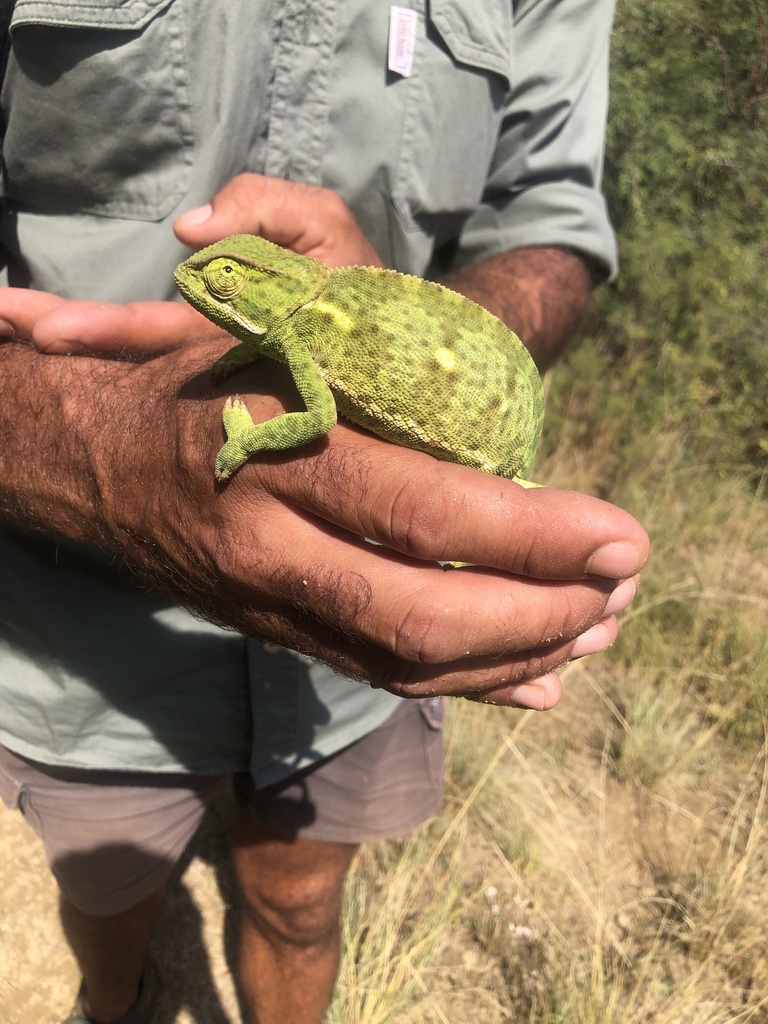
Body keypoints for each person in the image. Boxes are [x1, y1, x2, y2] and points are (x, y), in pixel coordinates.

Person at [0, 2, 648, 1022]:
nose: (201, 290)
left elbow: (549, 221)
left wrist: (295, 409)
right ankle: (107, 1000)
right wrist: (80, 437)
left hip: (362, 627)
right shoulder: (284, 319)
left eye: (221, 289)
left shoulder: (295, 328)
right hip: (76, 619)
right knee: (105, 883)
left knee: (302, 895)